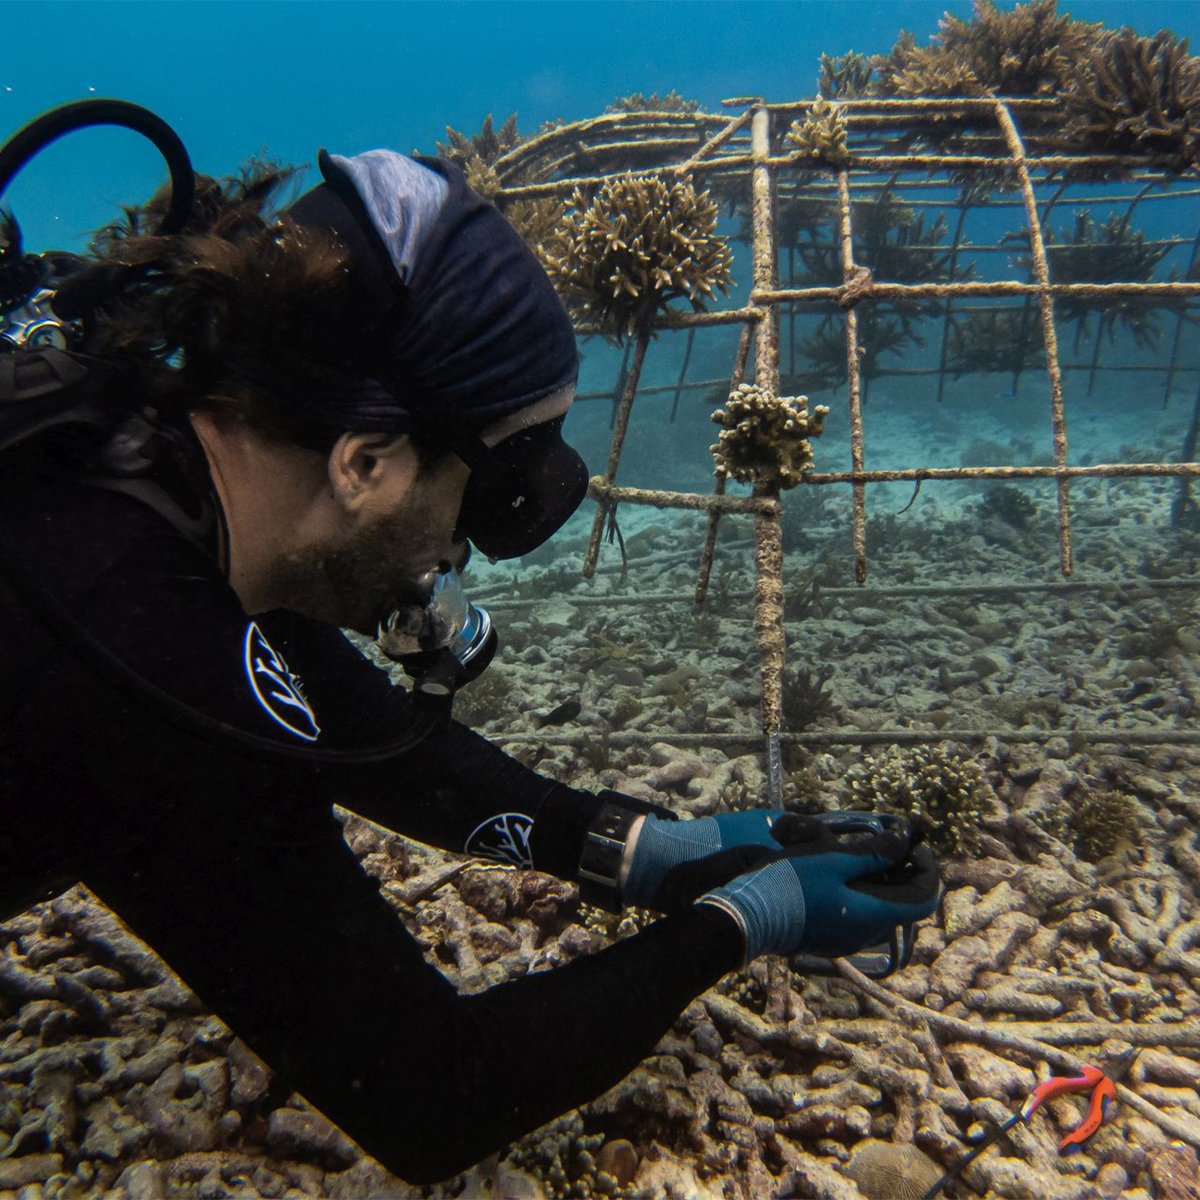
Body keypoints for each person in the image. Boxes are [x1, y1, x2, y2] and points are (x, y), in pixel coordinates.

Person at [0, 143, 940, 1184]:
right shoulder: (136, 656)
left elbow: (363, 739)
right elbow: (435, 1093)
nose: (464, 554)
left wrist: (647, 849)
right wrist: (751, 920)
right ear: (365, 463)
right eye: (481, 499)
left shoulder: (129, 452)